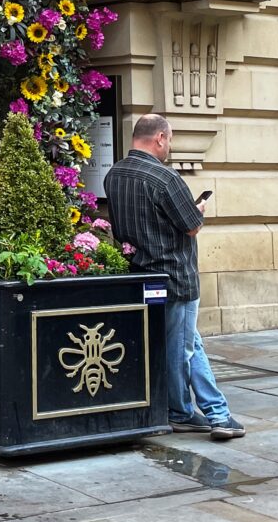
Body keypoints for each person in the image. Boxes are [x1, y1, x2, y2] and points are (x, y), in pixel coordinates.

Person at [105, 113, 245, 442]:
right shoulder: (165, 179)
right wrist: (199, 210)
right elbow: (191, 225)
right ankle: (203, 414)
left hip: (139, 277)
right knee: (184, 349)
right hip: (174, 277)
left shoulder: (114, 175)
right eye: (169, 140)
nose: (169, 146)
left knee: (185, 344)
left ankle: (201, 412)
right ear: (160, 139)